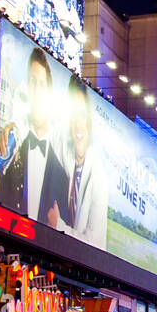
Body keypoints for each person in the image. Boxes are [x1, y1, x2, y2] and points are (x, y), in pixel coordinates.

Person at [0, 46, 70, 226]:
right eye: (32, 82)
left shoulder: (62, 176)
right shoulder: (12, 150)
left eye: (41, 84)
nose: (36, 91)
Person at [56, 76, 107, 246]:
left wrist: (58, 225)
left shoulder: (98, 175)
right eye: (73, 116)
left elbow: (94, 243)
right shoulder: (64, 148)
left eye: (82, 116)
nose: (78, 124)